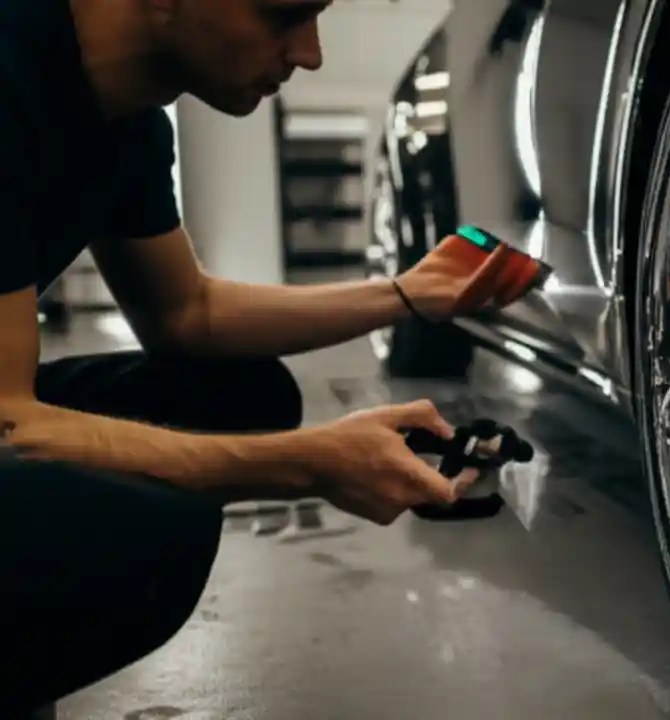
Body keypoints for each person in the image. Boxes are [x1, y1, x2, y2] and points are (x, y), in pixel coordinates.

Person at [0, 0, 526, 713]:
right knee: (150, 532)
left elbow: (189, 315)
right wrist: (307, 462)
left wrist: (409, 294)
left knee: (237, 397)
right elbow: (9, 425)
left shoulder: (125, 121)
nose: (310, 54)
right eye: (285, 15)